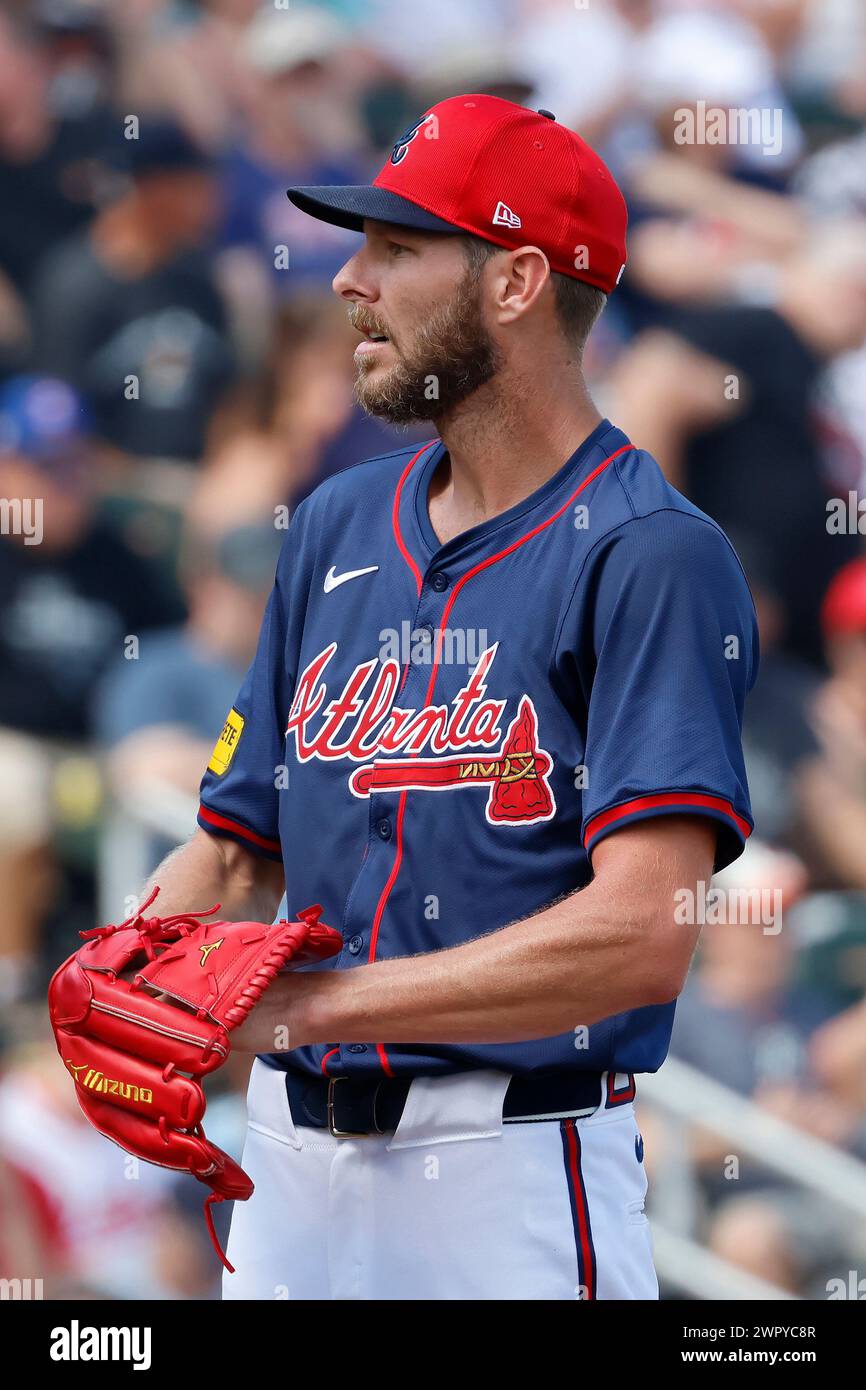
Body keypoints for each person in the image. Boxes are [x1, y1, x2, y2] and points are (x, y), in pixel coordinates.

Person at [132, 95, 758, 1301]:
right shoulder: (331, 523)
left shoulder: (646, 552)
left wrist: (309, 1006)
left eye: (397, 248)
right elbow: (232, 851)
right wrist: (130, 958)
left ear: (515, 282)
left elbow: (640, 933)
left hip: (504, 1167)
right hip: (283, 1167)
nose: (349, 281)